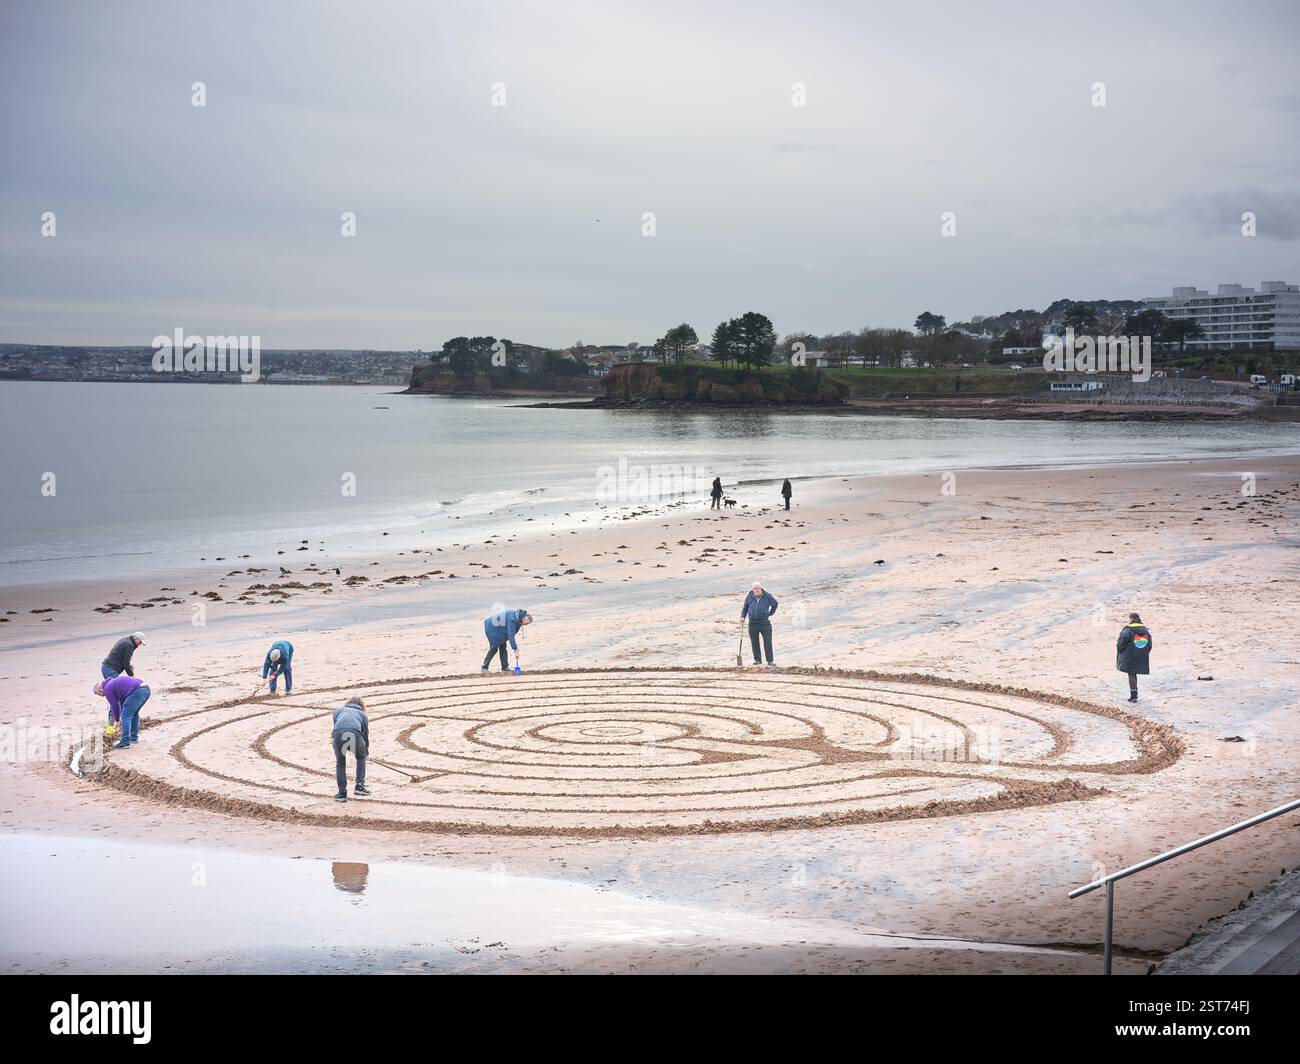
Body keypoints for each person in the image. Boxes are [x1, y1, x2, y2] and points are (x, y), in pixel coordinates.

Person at [94, 674, 151, 749]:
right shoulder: (112, 683)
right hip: (145, 689)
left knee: (125, 717)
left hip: (137, 691)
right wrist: (118, 719)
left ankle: (125, 742)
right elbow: (122, 703)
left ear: (101, 689)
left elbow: (114, 706)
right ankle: (133, 738)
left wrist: (117, 721)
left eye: (100, 694)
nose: (103, 696)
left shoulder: (107, 688)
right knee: (133, 714)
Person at [331, 695, 370, 801]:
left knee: (340, 764)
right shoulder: (362, 714)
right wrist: (365, 751)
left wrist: (344, 745)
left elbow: (337, 727)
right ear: (361, 706)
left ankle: (342, 793)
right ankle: (359, 786)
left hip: (338, 735)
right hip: (355, 734)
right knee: (361, 758)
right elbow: (365, 734)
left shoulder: (338, 711)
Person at [740, 580, 779, 667]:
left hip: (764, 623)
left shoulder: (767, 596)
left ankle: (770, 661)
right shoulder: (749, 597)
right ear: (752, 589)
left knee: (767, 642)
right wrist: (743, 617)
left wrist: (770, 613)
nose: (756, 590)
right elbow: (745, 608)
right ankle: (757, 660)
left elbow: (775, 603)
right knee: (754, 642)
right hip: (752, 623)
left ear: (761, 588)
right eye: (754, 588)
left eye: (758, 588)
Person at [1116, 612, 1153, 701]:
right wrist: (1144, 653)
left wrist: (1120, 652)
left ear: (1131, 619)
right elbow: (1150, 644)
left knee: (1131, 674)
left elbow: (1120, 644)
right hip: (1141, 655)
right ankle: (1135, 694)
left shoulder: (1127, 630)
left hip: (1130, 655)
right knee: (1133, 673)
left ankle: (1133, 696)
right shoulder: (1145, 631)